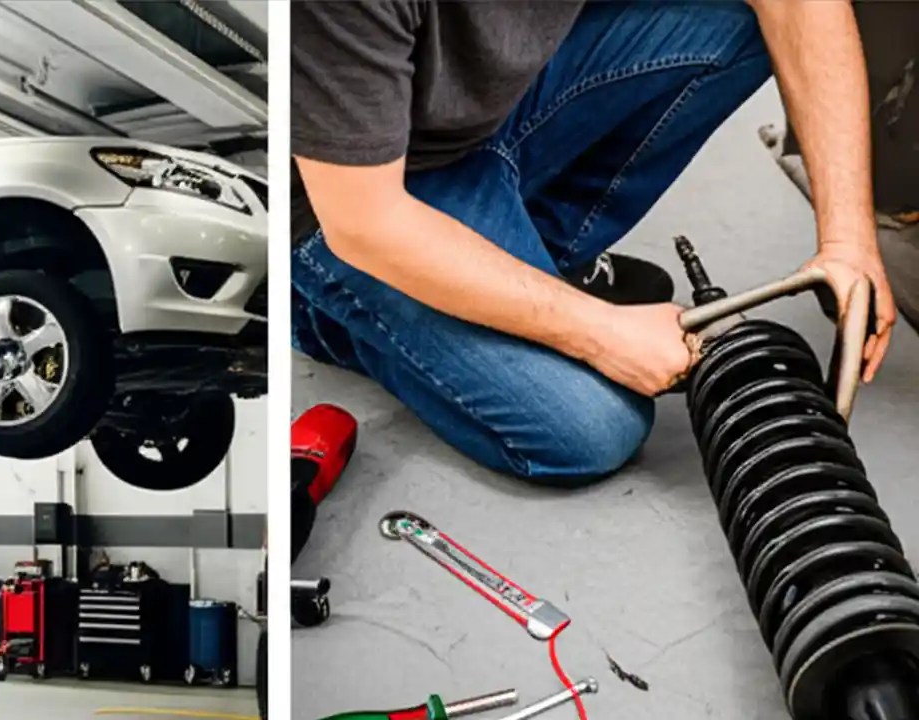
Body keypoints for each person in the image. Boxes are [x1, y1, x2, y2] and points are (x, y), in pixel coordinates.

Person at [291, 1, 897, 485]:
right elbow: (365, 219)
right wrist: (599, 333)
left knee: (735, 20)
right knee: (593, 426)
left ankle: (514, 267)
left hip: (489, 109)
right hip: (362, 194)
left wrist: (848, 239)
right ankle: (332, 316)